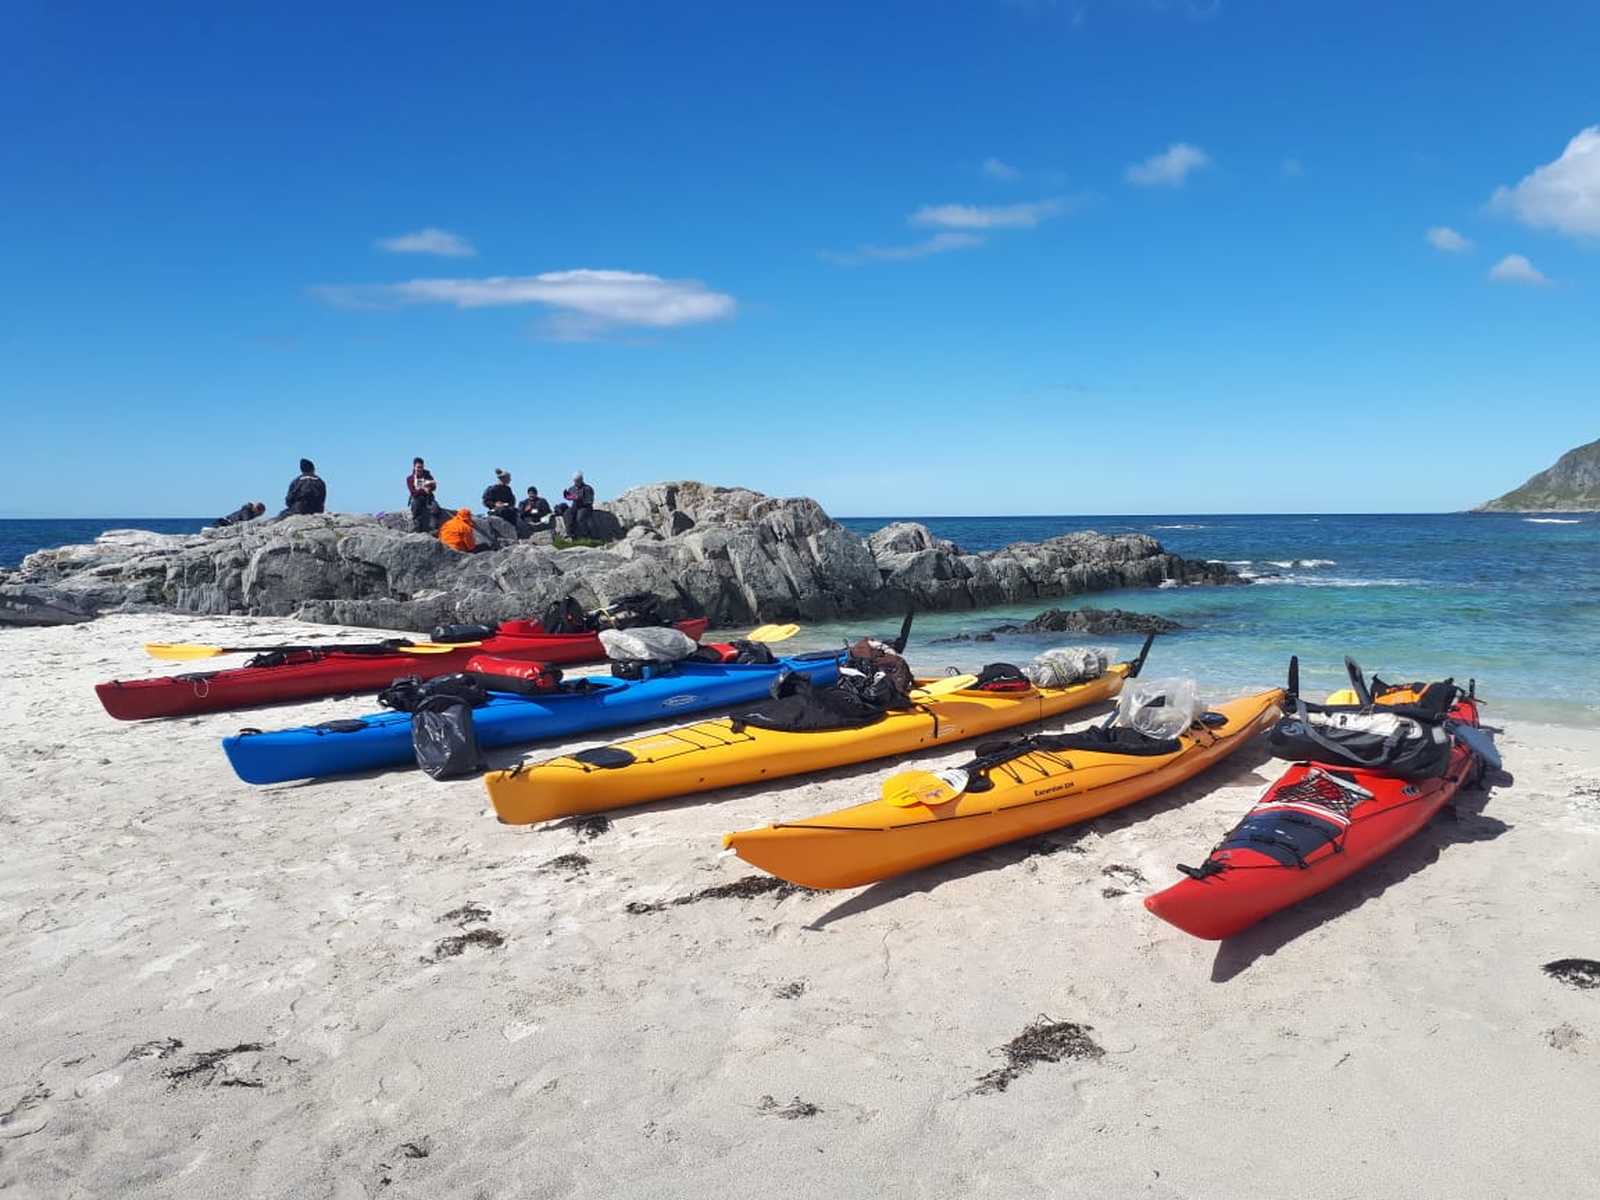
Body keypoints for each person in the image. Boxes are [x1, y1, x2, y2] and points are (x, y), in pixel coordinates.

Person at [557, 471, 595, 539]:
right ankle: (570, 534)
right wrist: (567, 496)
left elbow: (589, 501)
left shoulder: (587, 488)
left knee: (580, 517)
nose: (576, 482)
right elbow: (569, 496)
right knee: (567, 513)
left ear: (581, 479)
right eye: (575, 481)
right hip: (575, 507)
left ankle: (585, 535)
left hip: (585, 507)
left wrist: (579, 499)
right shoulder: (572, 488)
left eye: (578, 480)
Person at [407, 458, 441, 532]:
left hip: (428, 497)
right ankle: (417, 527)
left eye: (421, 467)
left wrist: (431, 486)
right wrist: (423, 490)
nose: (419, 469)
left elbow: (434, 488)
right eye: (418, 467)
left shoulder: (428, 475)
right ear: (414, 467)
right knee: (416, 506)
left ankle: (433, 529)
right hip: (417, 498)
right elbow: (413, 492)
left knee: (435, 508)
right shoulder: (410, 478)